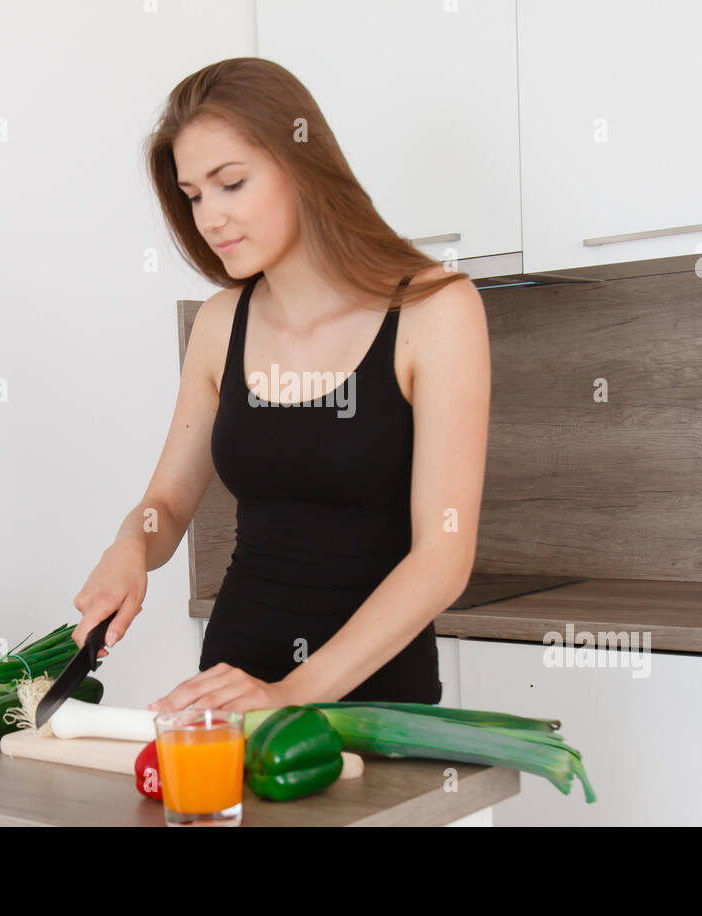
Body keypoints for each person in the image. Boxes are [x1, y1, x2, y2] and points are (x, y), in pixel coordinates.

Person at [70, 57, 490, 712]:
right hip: (232, 682)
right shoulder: (219, 324)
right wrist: (130, 544)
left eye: (230, 183)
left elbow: (442, 559)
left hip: (377, 706)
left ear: (302, 164)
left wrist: (289, 693)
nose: (209, 218)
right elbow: (168, 508)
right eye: (193, 195)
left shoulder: (435, 310)